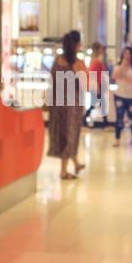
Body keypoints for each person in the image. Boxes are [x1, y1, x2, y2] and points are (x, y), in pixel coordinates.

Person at [47, 30, 87, 178]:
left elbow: (52, 79)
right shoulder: (78, 63)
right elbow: (85, 85)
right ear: (78, 44)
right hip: (72, 105)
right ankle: (63, 171)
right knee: (70, 136)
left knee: (61, 134)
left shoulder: (57, 60)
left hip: (57, 104)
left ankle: (75, 164)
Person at [110, 47, 132, 146]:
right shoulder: (118, 66)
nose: (127, 56)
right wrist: (123, 68)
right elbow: (114, 77)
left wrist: (123, 77)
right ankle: (117, 138)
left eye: (129, 53)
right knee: (119, 116)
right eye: (125, 53)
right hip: (120, 94)